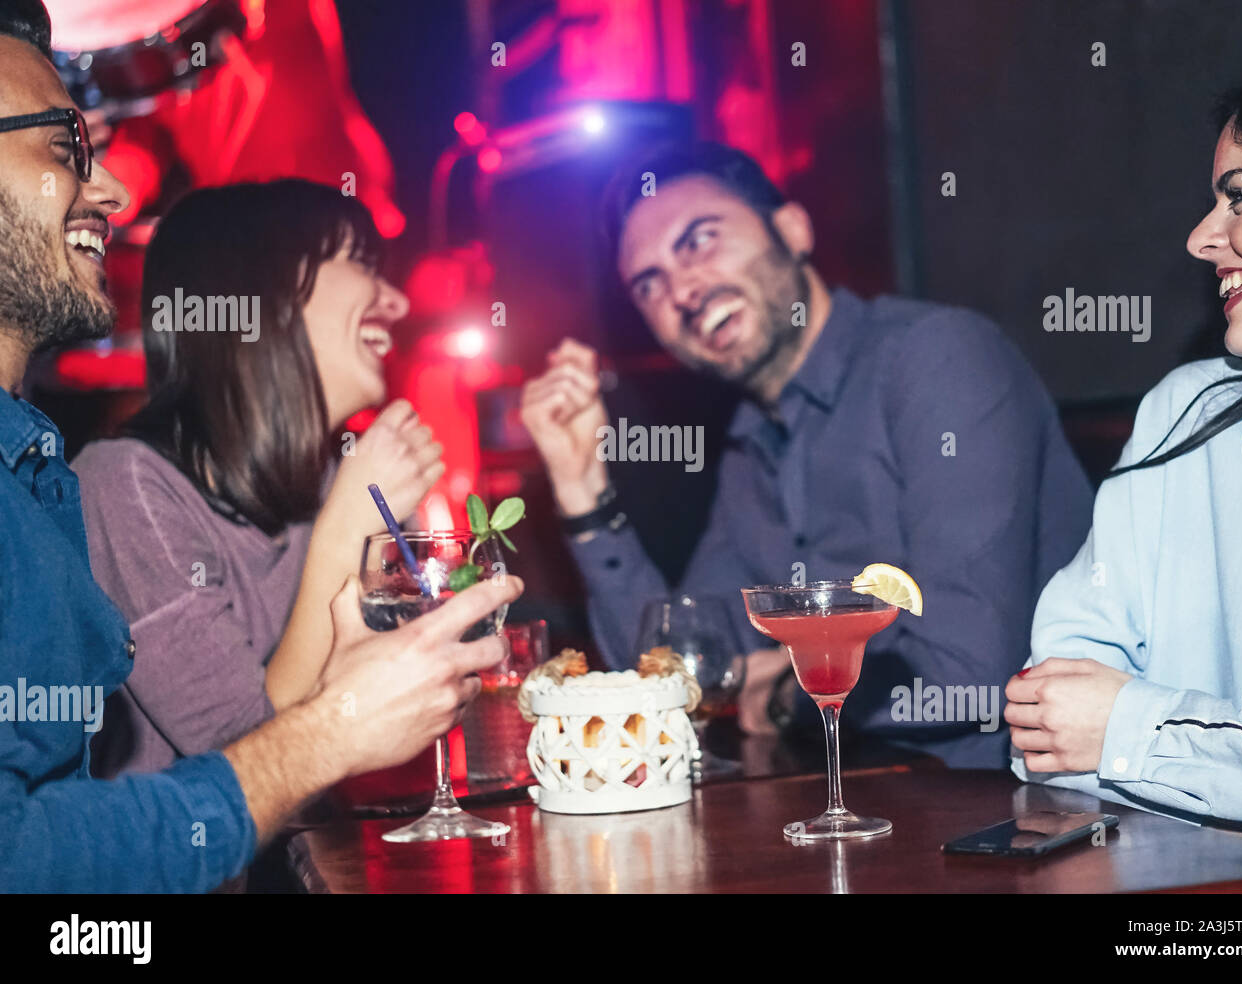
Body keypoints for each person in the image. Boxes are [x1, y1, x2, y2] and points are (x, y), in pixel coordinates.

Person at [0, 0, 522, 892]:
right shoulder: (118, 483)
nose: (115, 193)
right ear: (268, 303)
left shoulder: (33, 473)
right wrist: (336, 719)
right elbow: (238, 753)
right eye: (62, 148)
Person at [520, 142, 1094, 767]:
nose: (681, 290)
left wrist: (788, 696)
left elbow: (968, 676)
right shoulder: (751, 441)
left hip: (1008, 808)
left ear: (792, 230)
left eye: (700, 240)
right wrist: (582, 490)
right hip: (857, 803)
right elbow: (678, 672)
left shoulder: (937, 358)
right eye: (648, 284)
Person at [1006, 57, 1242, 845]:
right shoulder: (1188, 414)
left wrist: (1131, 730)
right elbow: (1046, 724)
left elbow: (1098, 727)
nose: (1202, 237)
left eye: (1239, 195)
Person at [74, 180, 444, 776]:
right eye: (360, 262)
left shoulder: (337, 480)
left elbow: (404, 704)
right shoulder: (125, 486)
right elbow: (248, 760)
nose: (397, 303)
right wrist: (344, 536)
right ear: (263, 294)